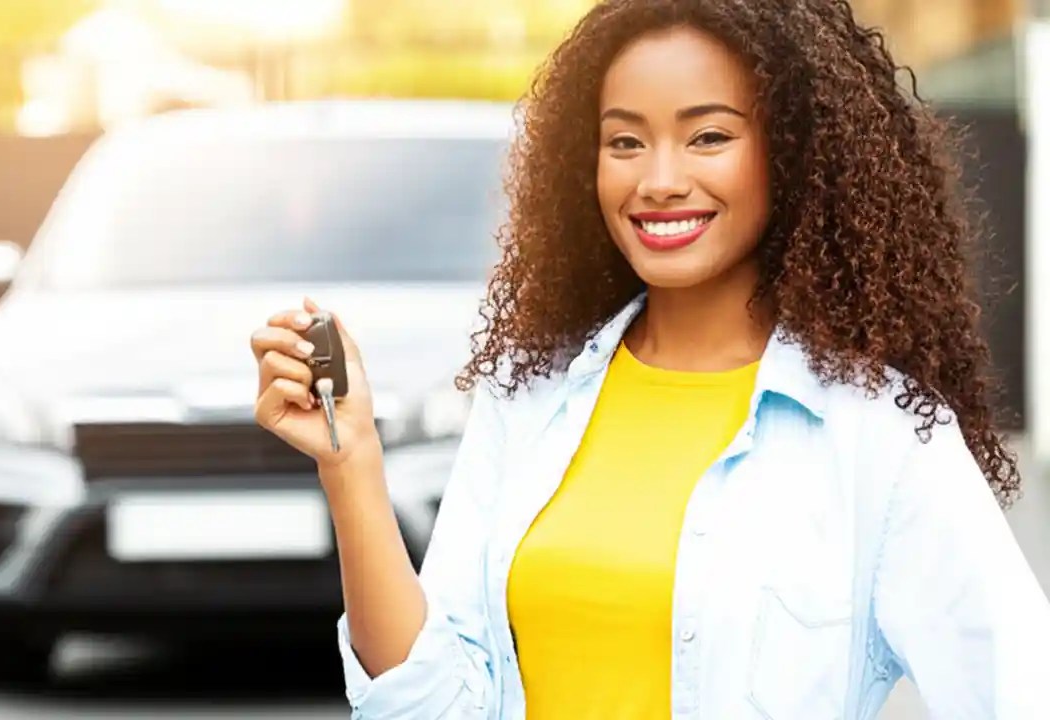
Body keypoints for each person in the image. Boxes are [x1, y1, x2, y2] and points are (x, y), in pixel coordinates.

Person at [249, 0, 1050, 717]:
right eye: (625, 141)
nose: (659, 180)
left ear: (795, 153)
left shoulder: (881, 435)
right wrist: (351, 465)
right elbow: (431, 705)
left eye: (708, 136)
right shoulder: (527, 398)